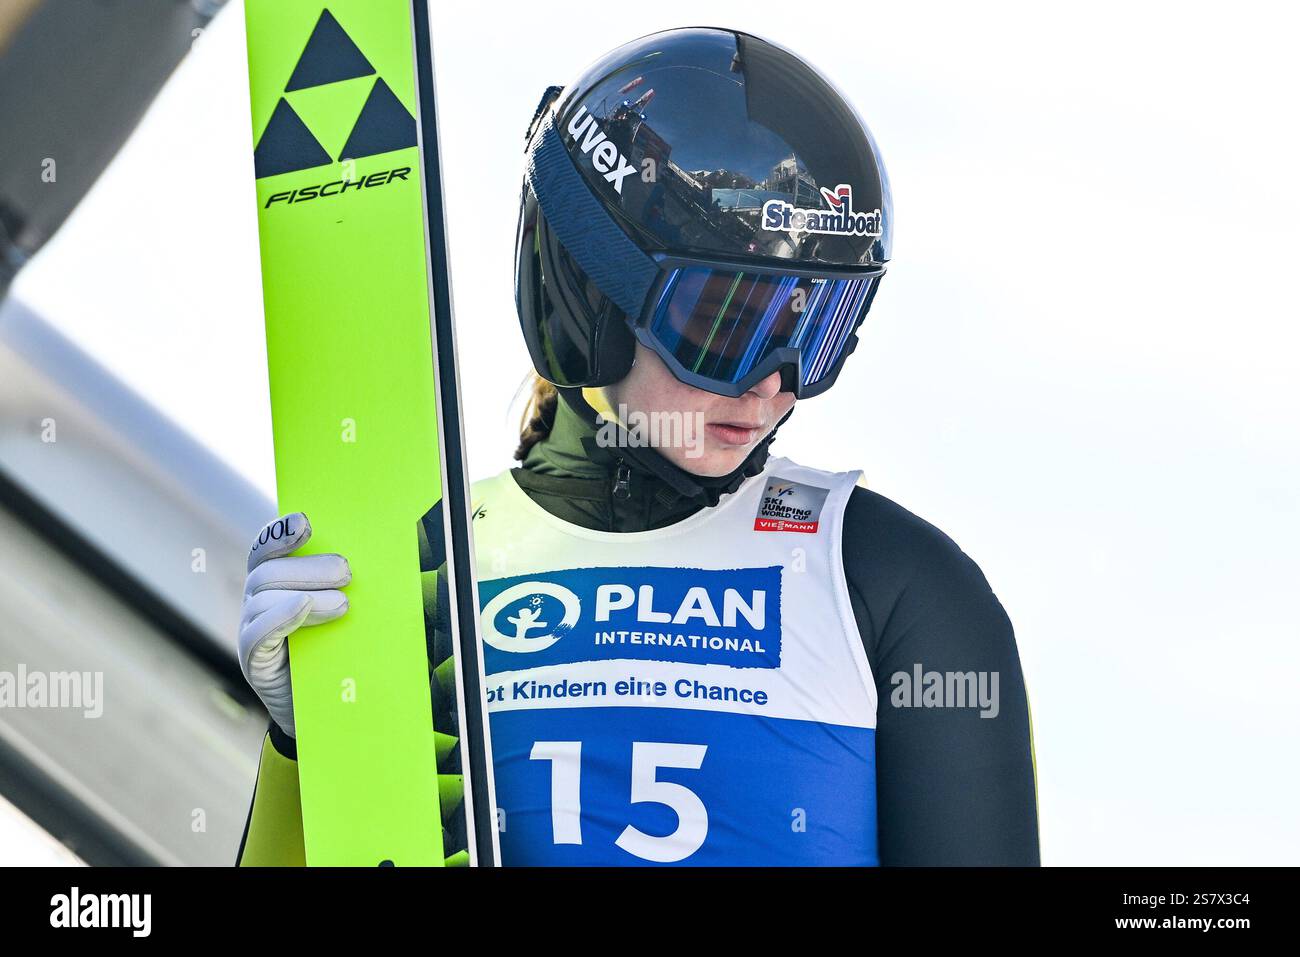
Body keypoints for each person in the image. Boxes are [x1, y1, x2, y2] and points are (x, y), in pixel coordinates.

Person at [236, 26, 1039, 866]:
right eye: (729, 325)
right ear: (592, 295)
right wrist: (309, 741)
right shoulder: (434, 565)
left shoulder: (888, 584)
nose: (772, 384)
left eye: (814, 330)